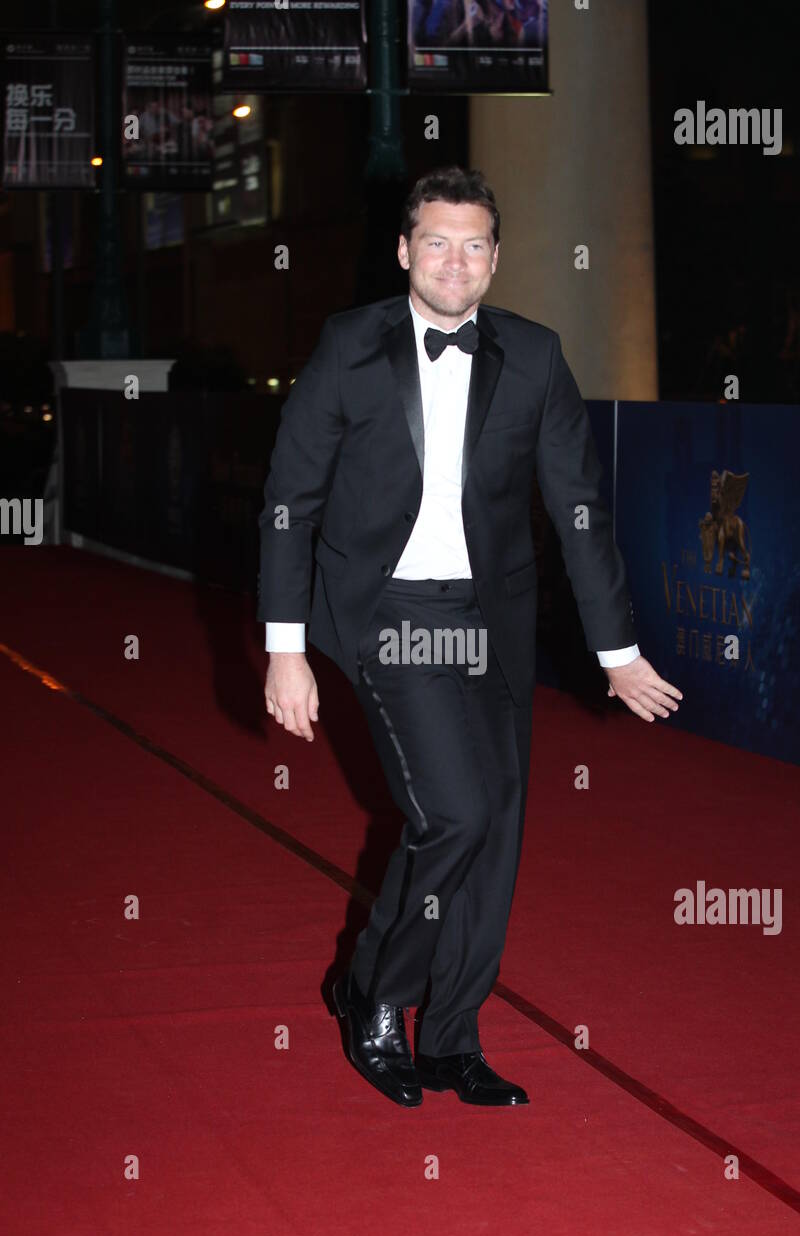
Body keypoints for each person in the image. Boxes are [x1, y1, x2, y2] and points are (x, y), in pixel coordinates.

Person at [258, 167, 681, 1110]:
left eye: (475, 243)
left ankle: (451, 1036)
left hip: (488, 623)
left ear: (496, 257)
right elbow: (291, 501)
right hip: (389, 615)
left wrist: (617, 652)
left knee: (497, 828)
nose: (457, 260)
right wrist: (286, 647)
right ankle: (372, 989)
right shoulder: (350, 346)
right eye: (438, 242)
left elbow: (578, 508)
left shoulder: (533, 354)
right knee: (453, 814)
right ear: (405, 251)